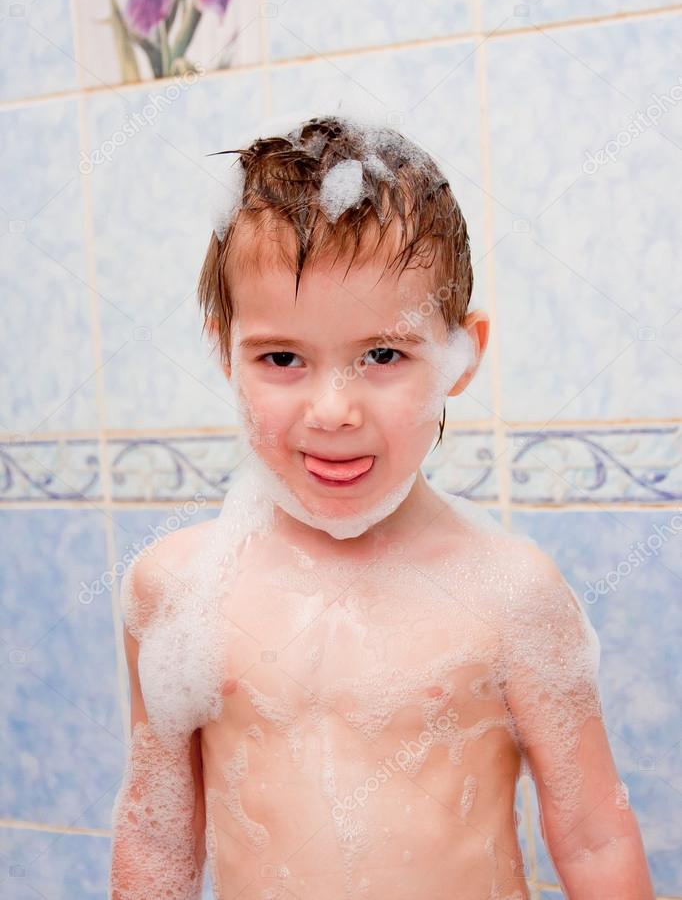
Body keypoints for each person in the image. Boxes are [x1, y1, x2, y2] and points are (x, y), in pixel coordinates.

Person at [109, 113, 655, 899]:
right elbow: (156, 838)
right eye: (283, 357)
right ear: (223, 348)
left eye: (383, 354)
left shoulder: (510, 592)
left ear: (460, 355)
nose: (334, 408)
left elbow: (596, 837)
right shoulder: (178, 590)